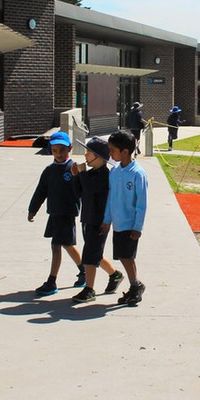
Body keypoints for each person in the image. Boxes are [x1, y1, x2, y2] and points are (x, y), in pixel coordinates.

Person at [27, 131, 86, 296]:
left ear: (70, 149)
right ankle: (83, 270)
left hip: (66, 213)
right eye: (54, 150)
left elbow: (82, 191)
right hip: (54, 212)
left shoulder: (74, 168)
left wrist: (77, 177)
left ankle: (52, 281)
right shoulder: (49, 170)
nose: (58, 154)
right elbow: (41, 191)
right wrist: (33, 209)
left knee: (57, 246)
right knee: (67, 245)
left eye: (62, 150)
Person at [70, 137, 125, 302]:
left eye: (88, 153)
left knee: (89, 254)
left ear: (99, 158)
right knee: (94, 253)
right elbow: (78, 192)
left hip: (99, 221)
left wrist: (81, 173)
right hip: (87, 217)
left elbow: (89, 187)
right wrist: (75, 176)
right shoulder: (90, 174)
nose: (85, 156)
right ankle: (115, 274)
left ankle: (89, 289)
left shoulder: (104, 176)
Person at [100, 129, 148, 306]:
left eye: (113, 150)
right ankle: (135, 285)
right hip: (117, 224)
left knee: (127, 256)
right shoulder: (114, 172)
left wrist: (138, 227)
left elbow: (142, 204)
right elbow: (111, 198)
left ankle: (136, 286)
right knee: (122, 255)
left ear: (125, 151)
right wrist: (107, 220)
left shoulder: (138, 174)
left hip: (130, 225)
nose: (110, 153)